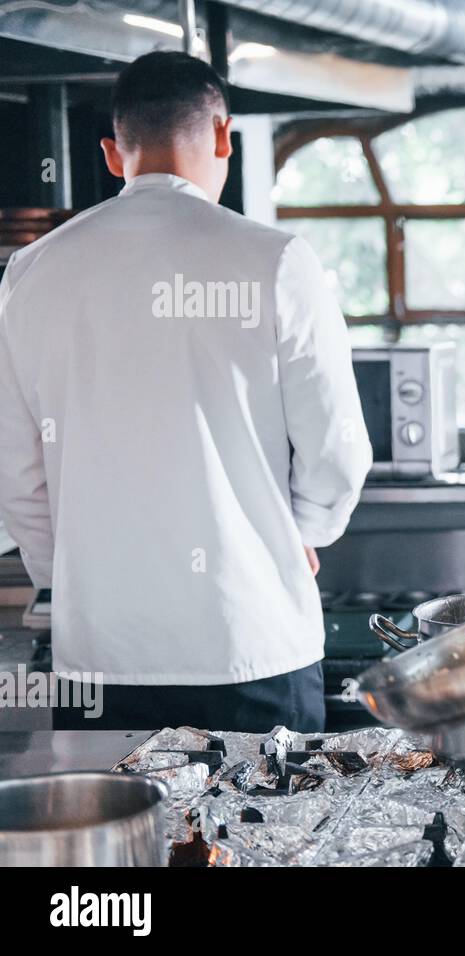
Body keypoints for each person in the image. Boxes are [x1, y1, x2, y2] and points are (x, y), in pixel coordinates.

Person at [0, 51, 372, 732]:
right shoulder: (279, 261)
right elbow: (338, 455)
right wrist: (302, 535)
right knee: (272, 840)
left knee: (122, 841)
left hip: (100, 658)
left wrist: (84, 572)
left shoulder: (30, 271)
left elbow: (16, 471)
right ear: (224, 135)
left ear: (113, 153)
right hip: (250, 644)